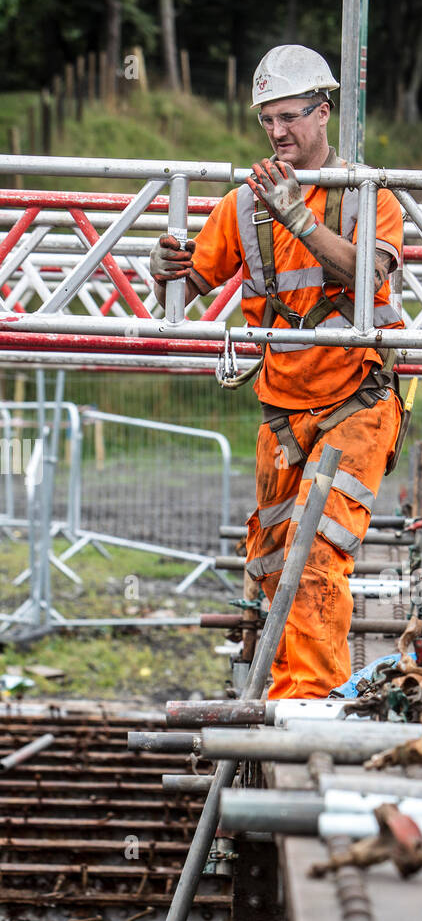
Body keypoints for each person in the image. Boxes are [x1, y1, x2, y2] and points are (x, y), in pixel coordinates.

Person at [149, 44, 406, 697]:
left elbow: (370, 279)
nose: (277, 133)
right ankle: (271, 678)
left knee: (315, 547)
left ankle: (309, 704)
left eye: (289, 117)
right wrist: (165, 276)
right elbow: (189, 286)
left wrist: (302, 218)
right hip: (284, 408)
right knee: (268, 557)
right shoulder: (245, 203)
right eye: (267, 121)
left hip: (359, 400)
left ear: (324, 113)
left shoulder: (366, 196)